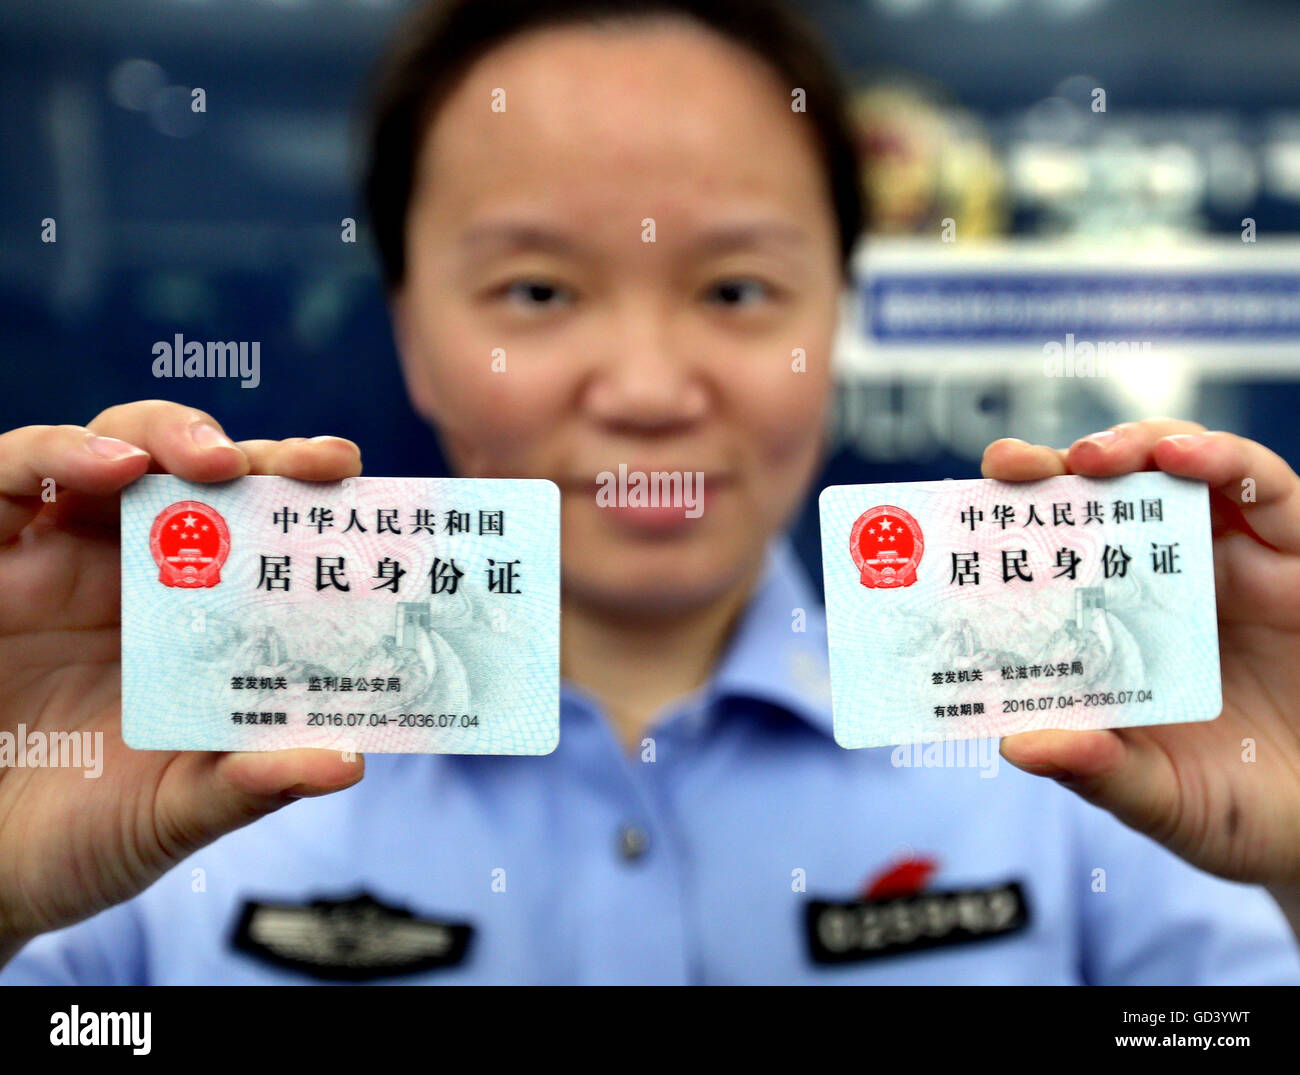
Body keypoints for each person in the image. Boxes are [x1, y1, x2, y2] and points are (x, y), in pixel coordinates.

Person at [1, 0, 1299, 985]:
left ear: (837, 315)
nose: (648, 387)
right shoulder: (164, 758)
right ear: (410, 336)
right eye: (539, 293)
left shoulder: (1098, 748)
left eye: (737, 290)